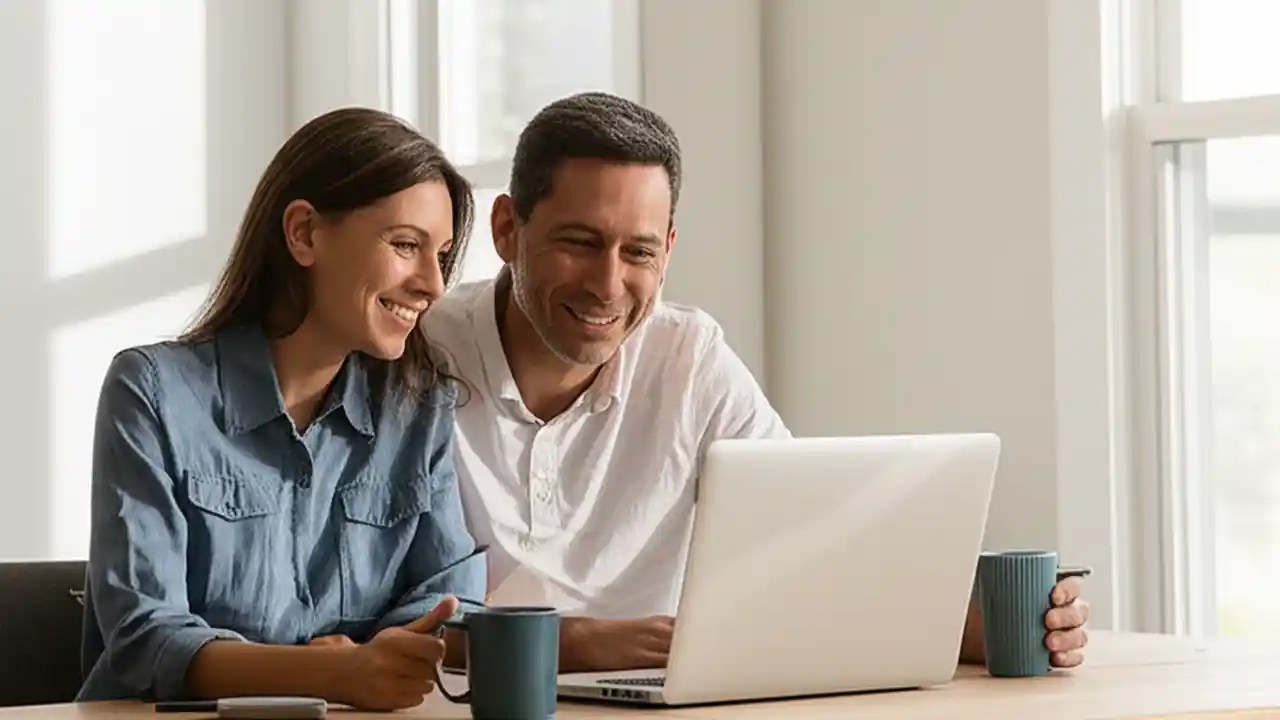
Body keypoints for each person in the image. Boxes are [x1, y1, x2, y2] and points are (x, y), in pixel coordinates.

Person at [421, 91, 1090, 672]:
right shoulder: (419, 357)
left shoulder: (689, 357)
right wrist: (581, 642)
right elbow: (380, 622)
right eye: (581, 242)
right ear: (507, 229)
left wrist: (985, 629)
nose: (608, 284)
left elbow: (811, 549)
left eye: (640, 252)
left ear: (670, 250)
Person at [78, 107, 484, 711]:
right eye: (405, 245)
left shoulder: (419, 411)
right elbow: (144, 636)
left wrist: (380, 658)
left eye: (441, 254)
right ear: (304, 234)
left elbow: (450, 598)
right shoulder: (153, 392)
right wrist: (325, 672)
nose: (433, 284)